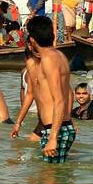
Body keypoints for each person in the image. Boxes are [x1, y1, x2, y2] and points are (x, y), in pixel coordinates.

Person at [11, 16, 75, 163]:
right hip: (52, 127)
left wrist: (53, 138)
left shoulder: (49, 59)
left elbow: (60, 99)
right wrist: (18, 123)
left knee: (51, 182)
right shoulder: (57, 56)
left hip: (56, 129)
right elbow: (31, 94)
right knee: (45, 180)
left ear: (32, 40)